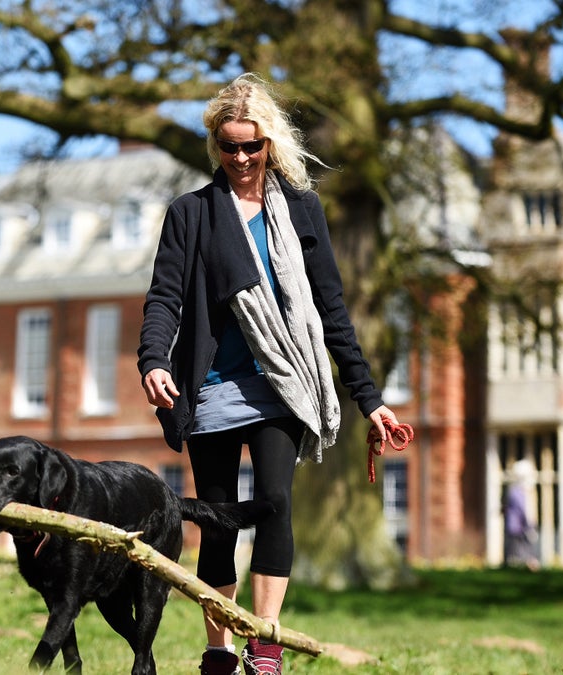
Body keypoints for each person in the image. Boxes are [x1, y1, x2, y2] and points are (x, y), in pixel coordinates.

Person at [137, 73, 401, 675]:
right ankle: (218, 651)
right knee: (220, 519)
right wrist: (154, 359)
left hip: (284, 385)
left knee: (276, 503)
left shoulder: (303, 210)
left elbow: (331, 309)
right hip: (211, 388)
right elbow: (164, 298)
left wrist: (370, 399)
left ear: (271, 144)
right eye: (228, 146)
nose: (240, 158)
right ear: (215, 145)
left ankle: (265, 645)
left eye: (251, 147)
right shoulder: (192, 214)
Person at [503, 459, 540, 570]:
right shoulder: (517, 491)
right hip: (518, 528)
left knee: (524, 550)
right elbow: (522, 510)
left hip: (520, 528)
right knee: (520, 552)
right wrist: (529, 525)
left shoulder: (517, 491)